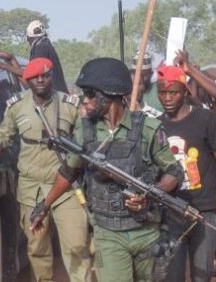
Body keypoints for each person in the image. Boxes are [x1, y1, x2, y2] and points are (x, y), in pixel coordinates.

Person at [30, 57, 183, 282]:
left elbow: (174, 172)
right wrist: (44, 206)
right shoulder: (86, 132)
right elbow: (68, 172)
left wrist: (149, 194)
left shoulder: (148, 129)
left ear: (109, 95)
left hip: (147, 233)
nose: (85, 101)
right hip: (108, 233)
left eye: (90, 95)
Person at [0, 58, 90, 282]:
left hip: (66, 187)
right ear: (27, 79)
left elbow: (86, 143)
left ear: (51, 77)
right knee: (37, 248)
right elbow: (4, 137)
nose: (40, 80)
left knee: (76, 245)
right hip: (31, 189)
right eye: (35, 76)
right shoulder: (16, 105)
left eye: (45, 75)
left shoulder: (70, 105)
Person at [156, 64, 216, 282]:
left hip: (205, 210)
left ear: (185, 91)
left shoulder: (206, 120)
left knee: (201, 274)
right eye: (162, 93)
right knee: (172, 274)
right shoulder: (156, 126)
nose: (167, 98)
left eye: (173, 92)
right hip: (171, 211)